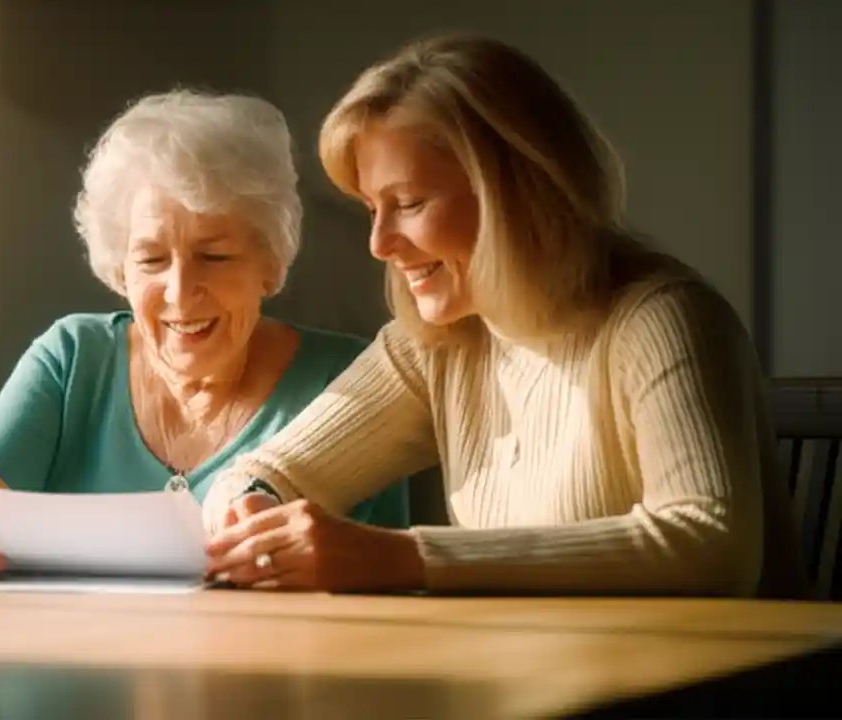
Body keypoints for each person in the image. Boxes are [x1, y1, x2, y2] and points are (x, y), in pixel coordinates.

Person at [202, 34, 805, 598]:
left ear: (514, 190)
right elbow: (264, 470)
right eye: (371, 209)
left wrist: (401, 558)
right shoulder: (435, 342)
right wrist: (250, 509)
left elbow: (712, 542)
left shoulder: (662, 320)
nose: (380, 244)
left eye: (408, 204)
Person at [0, 89, 409, 578]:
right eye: (150, 259)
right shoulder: (72, 359)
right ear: (119, 270)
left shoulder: (348, 380)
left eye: (214, 256)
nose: (179, 291)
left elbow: (375, 581)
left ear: (270, 264)